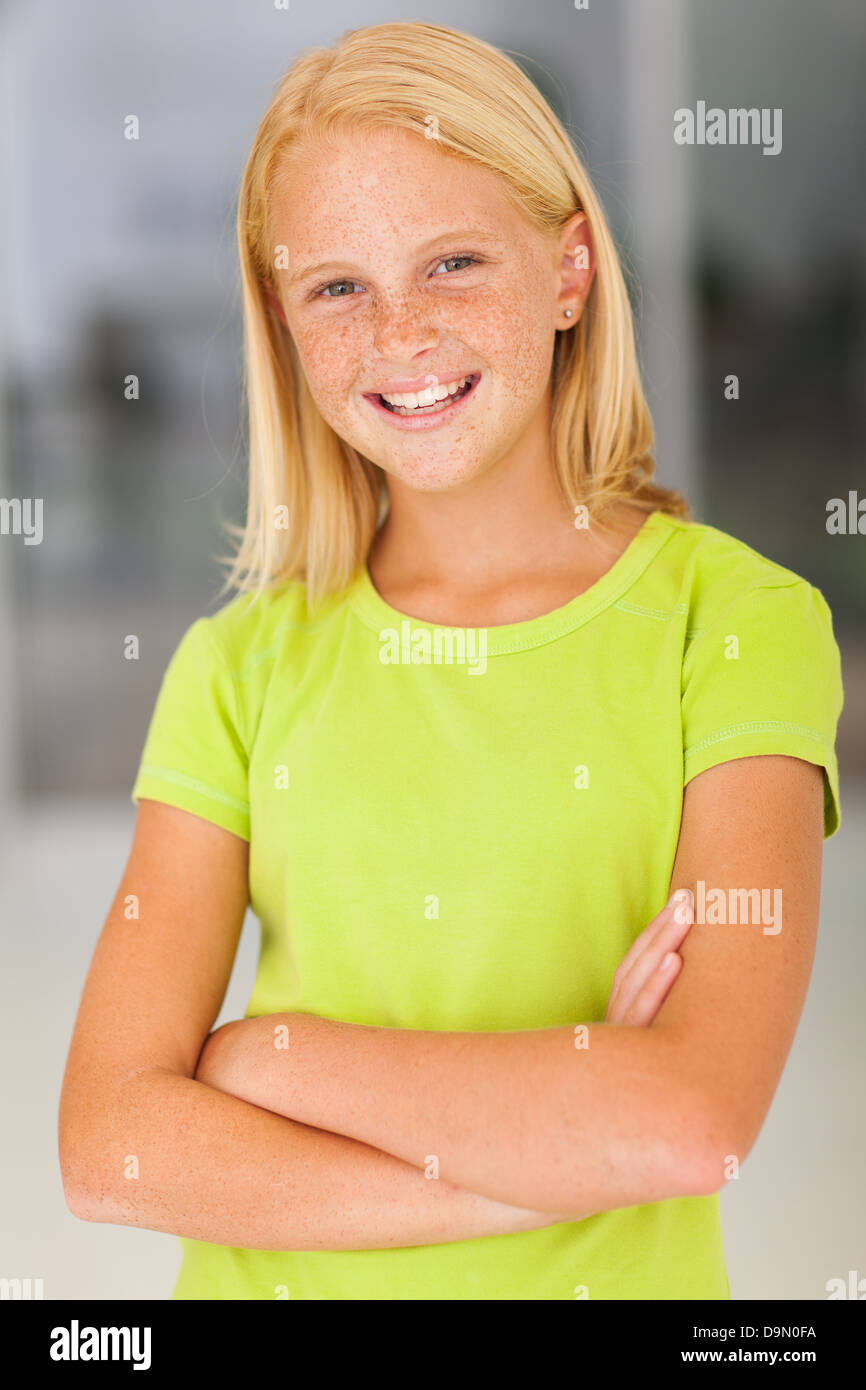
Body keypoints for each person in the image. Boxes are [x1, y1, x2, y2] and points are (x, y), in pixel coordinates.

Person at [58, 20, 843, 1301]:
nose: (401, 333)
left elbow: (690, 1121)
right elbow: (109, 1150)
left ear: (570, 272)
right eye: (337, 287)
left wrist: (272, 1060)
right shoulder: (238, 667)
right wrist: (549, 1149)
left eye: (453, 262)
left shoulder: (737, 627)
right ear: (282, 320)